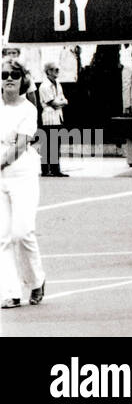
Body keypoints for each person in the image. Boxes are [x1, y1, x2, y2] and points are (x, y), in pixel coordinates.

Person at [1, 59, 46, 308]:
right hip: (1, 177)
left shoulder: (28, 108)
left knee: (22, 232)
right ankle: (11, 291)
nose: (9, 78)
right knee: (4, 236)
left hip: (22, 173)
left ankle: (36, 280)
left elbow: (20, 145)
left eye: (14, 75)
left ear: (22, 80)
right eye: (4, 74)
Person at [36, 62, 69, 178]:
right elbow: (53, 102)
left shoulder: (58, 84)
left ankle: (55, 169)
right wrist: (61, 102)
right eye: (55, 70)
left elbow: (64, 99)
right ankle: (45, 169)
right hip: (49, 117)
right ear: (48, 71)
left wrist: (61, 102)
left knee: (56, 144)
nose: (57, 72)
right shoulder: (44, 86)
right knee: (48, 144)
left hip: (58, 117)